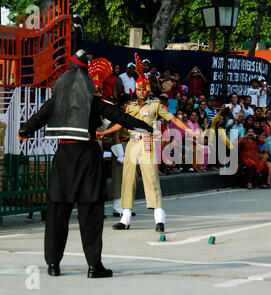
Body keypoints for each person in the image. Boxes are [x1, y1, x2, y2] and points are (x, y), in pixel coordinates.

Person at [17, 50, 153, 278]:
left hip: (64, 158)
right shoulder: (94, 101)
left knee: (57, 210)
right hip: (88, 156)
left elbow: (40, 116)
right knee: (90, 211)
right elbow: (119, 115)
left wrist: (24, 131)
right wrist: (145, 127)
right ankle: (93, 266)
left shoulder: (57, 100)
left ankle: (53, 265)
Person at [98, 53, 198, 233]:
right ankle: (125, 218)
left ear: (148, 90)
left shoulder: (156, 105)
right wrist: (104, 132)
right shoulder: (130, 107)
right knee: (127, 180)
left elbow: (173, 119)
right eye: (138, 90)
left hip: (147, 143)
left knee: (151, 179)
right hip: (131, 144)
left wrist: (190, 130)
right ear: (135, 91)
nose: (141, 92)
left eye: (144, 89)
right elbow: (122, 124)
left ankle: (159, 217)